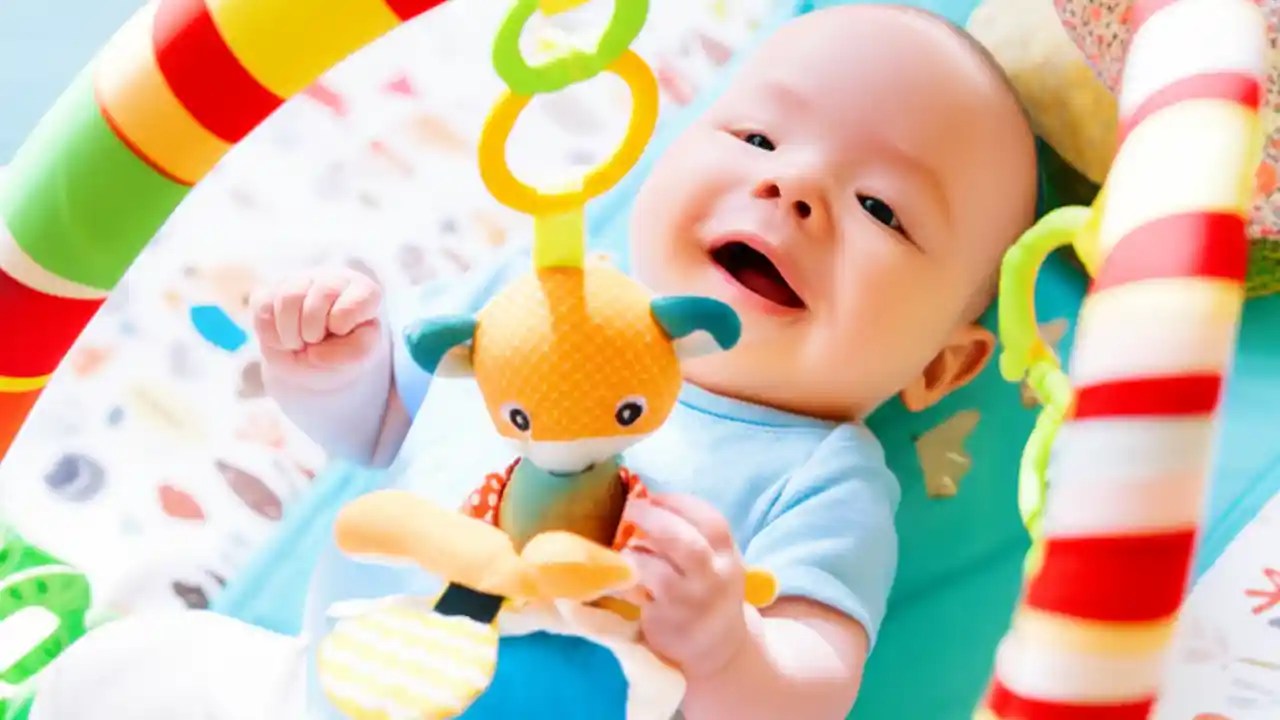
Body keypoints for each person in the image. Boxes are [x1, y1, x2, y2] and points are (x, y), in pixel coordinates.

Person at [29, 5, 1036, 719]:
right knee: (129, 671)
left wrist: (729, 640)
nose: (795, 188)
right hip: (320, 689)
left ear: (944, 368)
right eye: (757, 134)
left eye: (881, 209)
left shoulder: (822, 474)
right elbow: (379, 423)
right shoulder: (542, 305)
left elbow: (814, 677)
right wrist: (330, 363)